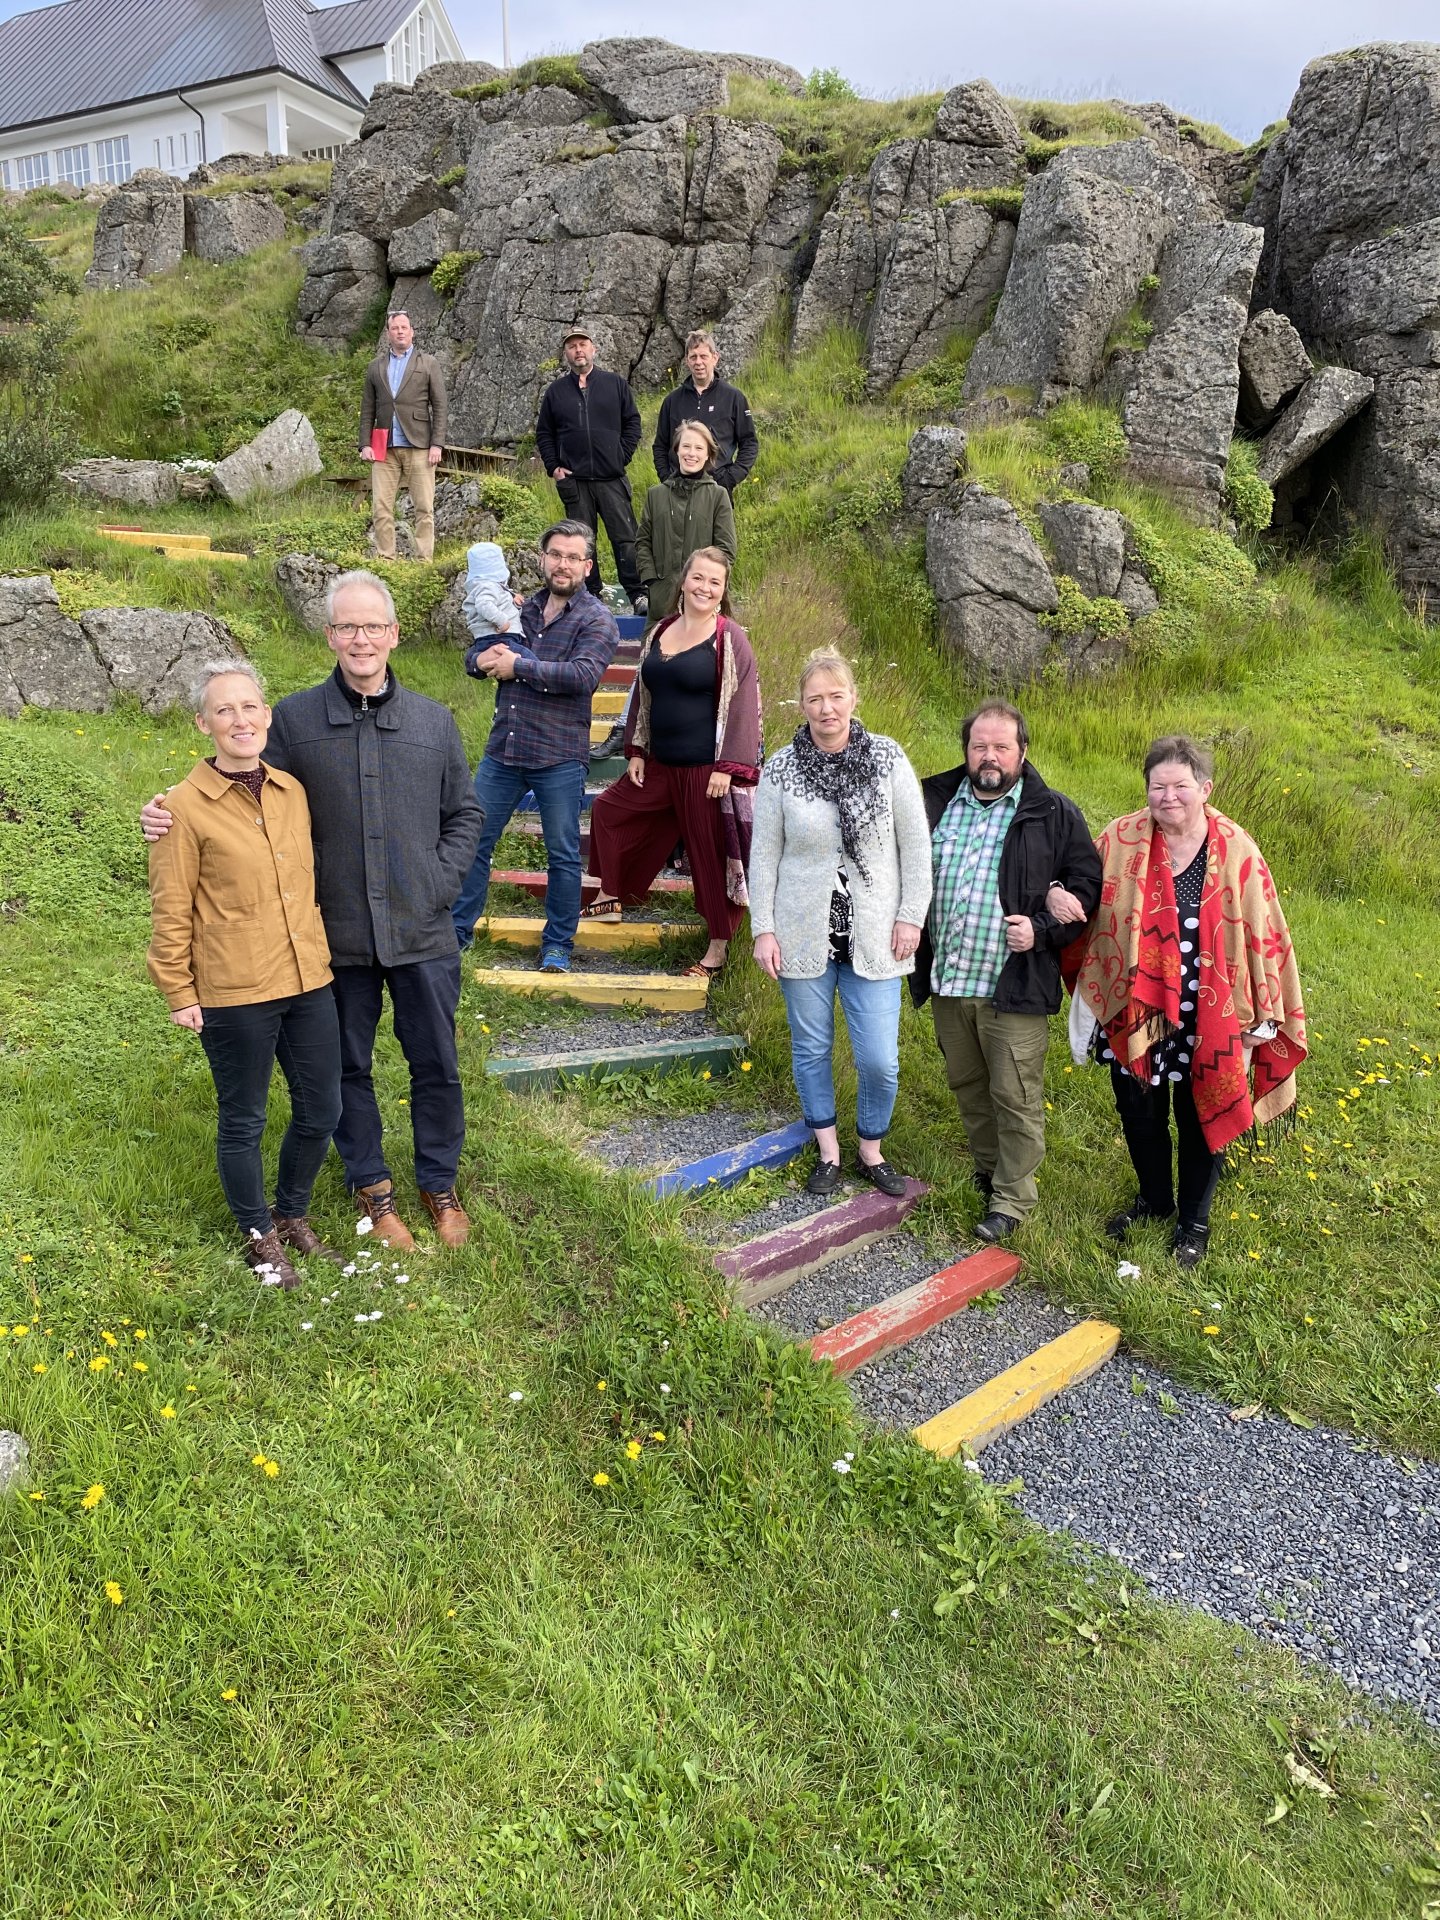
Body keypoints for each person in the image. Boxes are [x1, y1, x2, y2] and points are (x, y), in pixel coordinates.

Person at [143, 573, 484, 1253]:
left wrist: (437, 881)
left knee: (436, 1063)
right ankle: (373, 1187)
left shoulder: (433, 722)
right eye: (347, 627)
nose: (361, 639)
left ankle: (439, 1184)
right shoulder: (294, 721)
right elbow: (237, 779)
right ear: (329, 635)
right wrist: (164, 809)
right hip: (334, 936)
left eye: (373, 626)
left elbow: (465, 813)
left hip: (421, 929)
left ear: (394, 634)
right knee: (346, 1069)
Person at [1064, 735, 1307, 1268]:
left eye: (1180, 786)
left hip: (1210, 1009)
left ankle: (1193, 1222)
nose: (1168, 797)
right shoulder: (1121, 838)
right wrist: (1060, 894)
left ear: (1205, 788)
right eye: (1158, 786)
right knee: (1138, 1106)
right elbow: (1087, 893)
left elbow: (1262, 932)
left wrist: (1257, 1022)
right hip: (1139, 1004)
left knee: (1200, 1110)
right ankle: (1154, 1200)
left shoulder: (1237, 849)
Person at [147, 664, 342, 1291]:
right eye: (224, 710)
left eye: (250, 706)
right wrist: (178, 989)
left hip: (306, 977)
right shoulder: (180, 809)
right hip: (234, 989)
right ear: (203, 723)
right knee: (244, 1119)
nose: (240, 720)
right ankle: (258, 1234)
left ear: (267, 715)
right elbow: (171, 908)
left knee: (322, 1108)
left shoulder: (291, 791)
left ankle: (290, 1211)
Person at [909, 701, 1102, 1245]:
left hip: (1012, 984)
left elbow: (1087, 888)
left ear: (1023, 751)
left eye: (1001, 746)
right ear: (966, 750)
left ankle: (1013, 1199)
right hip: (949, 979)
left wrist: (1041, 929)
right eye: (979, 746)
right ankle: (990, 1169)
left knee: (1015, 1095)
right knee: (969, 1086)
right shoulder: (933, 802)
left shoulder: (1053, 813)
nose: (989, 756)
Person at [749, 650, 931, 1198]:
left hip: (877, 935)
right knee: (811, 1048)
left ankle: (871, 1149)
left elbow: (915, 846)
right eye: (815, 699)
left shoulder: (887, 758)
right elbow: (764, 855)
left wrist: (911, 917)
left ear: (853, 698)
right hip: (800, 933)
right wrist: (763, 928)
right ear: (801, 705)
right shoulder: (781, 768)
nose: (827, 708)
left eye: (836, 696)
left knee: (879, 1059)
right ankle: (828, 1151)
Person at [451, 520, 619, 972]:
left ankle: (558, 944)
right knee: (471, 841)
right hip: (504, 750)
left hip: (558, 755)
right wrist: (481, 660)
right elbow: (478, 651)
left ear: (587, 566)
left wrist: (519, 666)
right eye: (556, 554)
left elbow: (583, 675)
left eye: (573, 557)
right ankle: (456, 934)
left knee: (562, 854)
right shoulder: (518, 607)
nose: (563, 564)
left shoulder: (596, 619)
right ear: (543, 559)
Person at [584, 547, 759, 977]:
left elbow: (745, 705)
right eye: (698, 578)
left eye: (715, 582)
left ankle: (717, 949)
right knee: (608, 810)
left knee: (708, 857)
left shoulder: (729, 637)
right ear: (684, 580)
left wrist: (728, 767)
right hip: (661, 766)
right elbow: (643, 695)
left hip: (704, 773)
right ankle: (611, 894)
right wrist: (637, 749)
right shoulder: (661, 630)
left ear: (723, 591)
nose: (705, 587)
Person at [535, 325, 646, 612]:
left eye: (582, 344)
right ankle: (591, 595)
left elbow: (633, 423)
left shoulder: (615, 384)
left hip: (612, 478)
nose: (578, 350)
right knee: (581, 543)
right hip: (575, 481)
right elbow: (544, 433)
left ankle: (638, 594)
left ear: (593, 349)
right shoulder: (556, 392)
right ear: (566, 353)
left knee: (626, 538)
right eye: (572, 346)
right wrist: (554, 467)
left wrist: (621, 456)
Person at [359, 310, 447, 561]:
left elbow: (440, 405)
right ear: (388, 333)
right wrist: (364, 444)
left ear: (412, 332)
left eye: (404, 327)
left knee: (424, 507)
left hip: (419, 445)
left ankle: (423, 560)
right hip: (384, 448)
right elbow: (368, 408)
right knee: (381, 508)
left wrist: (437, 444)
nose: (400, 332)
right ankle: (386, 558)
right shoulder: (375, 367)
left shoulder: (428, 363)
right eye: (395, 328)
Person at [634, 423, 738, 620]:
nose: (691, 453)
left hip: (701, 606)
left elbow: (726, 550)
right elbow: (642, 542)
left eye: (699, 448)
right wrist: (652, 581)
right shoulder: (655, 495)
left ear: (708, 455)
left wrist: (703, 584)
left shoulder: (718, 496)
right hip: (661, 605)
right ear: (677, 450)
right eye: (686, 446)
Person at [653, 329, 759, 495]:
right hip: (678, 490)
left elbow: (749, 442)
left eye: (703, 356)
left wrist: (730, 479)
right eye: (693, 357)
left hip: (718, 490)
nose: (698, 362)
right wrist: (667, 478)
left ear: (715, 358)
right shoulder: (672, 401)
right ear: (687, 361)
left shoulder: (733, 397)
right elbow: (660, 446)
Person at [463, 541, 520, 640]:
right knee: (523, 652)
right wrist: (502, 622)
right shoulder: (487, 586)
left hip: (500, 636)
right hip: (499, 636)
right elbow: (484, 604)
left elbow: (498, 594)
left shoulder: (488, 585)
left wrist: (513, 596)